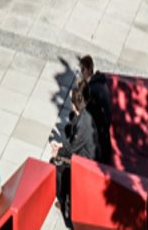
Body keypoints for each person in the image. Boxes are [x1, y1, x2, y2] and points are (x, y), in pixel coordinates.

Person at [50, 83, 97, 219]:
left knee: (57, 167)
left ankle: (65, 204)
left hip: (85, 161)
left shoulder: (83, 124)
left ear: (75, 104)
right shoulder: (83, 115)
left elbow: (72, 147)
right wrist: (61, 145)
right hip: (84, 151)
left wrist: (58, 151)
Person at [79, 56, 113, 164]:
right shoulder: (100, 83)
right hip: (104, 128)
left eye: (82, 70)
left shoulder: (92, 89)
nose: (81, 73)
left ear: (88, 70)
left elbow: (88, 112)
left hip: (100, 130)